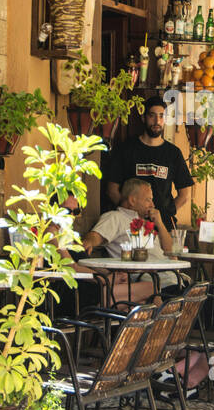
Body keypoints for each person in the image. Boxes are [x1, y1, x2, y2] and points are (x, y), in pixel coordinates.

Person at [105, 96, 193, 231]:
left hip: (163, 227)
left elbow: (185, 194)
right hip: (130, 226)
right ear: (143, 118)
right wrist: (129, 214)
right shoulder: (127, 149)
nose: (157, 121)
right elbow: (112, 190)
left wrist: (166, 213)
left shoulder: (173, 153)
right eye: (152, 116)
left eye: (161, 116)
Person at [83, 177, 178, 302]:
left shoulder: (146, 223)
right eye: (148, 200)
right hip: (151, 284)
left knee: (207, 294)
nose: (152, 205)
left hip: (173, 279)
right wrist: (89, 242)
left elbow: (171, 252)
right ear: (132, 200)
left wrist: (159, 224)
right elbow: (95, 236)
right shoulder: (115, 217)